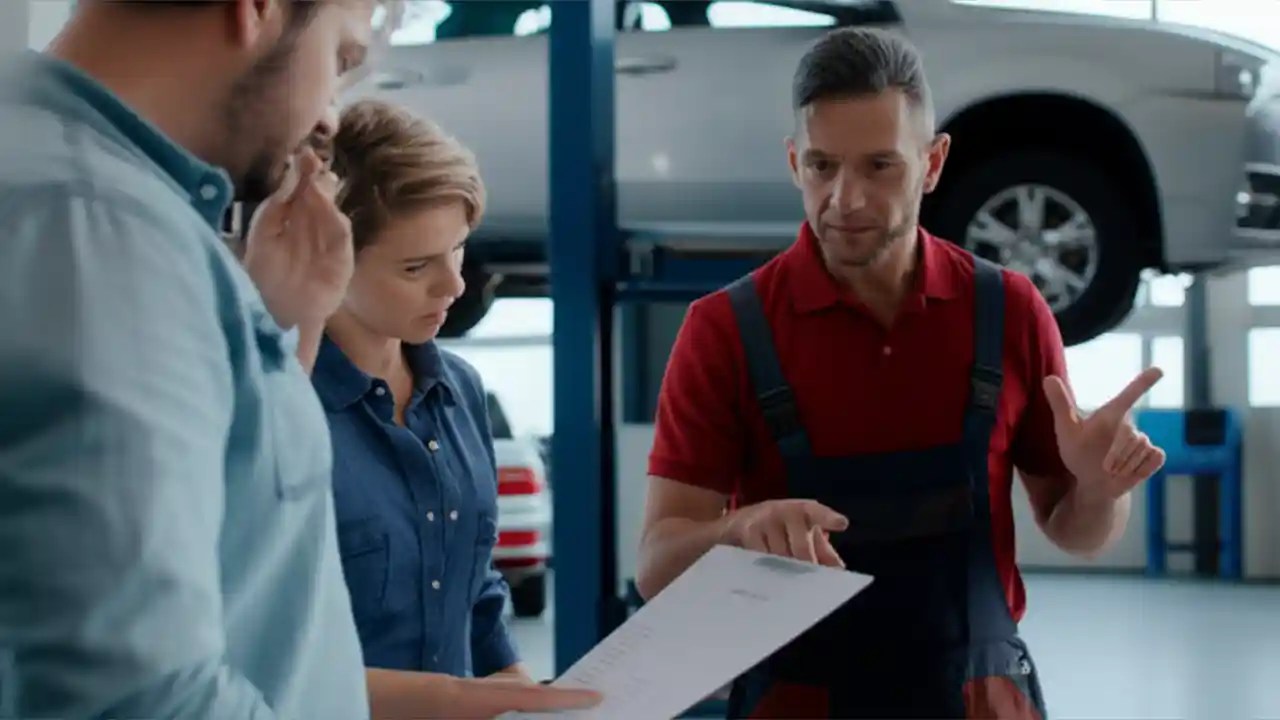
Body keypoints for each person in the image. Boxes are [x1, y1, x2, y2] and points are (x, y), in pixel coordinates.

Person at [0, 1, 598, 718]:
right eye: (343, 58)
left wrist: (292, 326)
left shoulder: (94, 202)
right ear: (257, 9)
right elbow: (140, 695)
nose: (329, 119)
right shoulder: (97, 227)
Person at [635, 27, 1167, 720]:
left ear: (934, 161)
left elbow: (1077, 530)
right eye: (823, 167)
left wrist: (1099, 489)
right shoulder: (725, 331)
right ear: (794, 161)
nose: (845, 198)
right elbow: (656, 567)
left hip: (982, 701)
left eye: (879, 166)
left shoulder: (1008, 309)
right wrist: (737, 532)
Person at [311, 98, 572, 718]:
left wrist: (518, 688)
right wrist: (455, 697)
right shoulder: (279, 408)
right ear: (330, 256)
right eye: (415, 266)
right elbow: (264, 647)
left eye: (456, 251)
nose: (454, 286)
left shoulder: (460, 389)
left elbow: (475, 587)